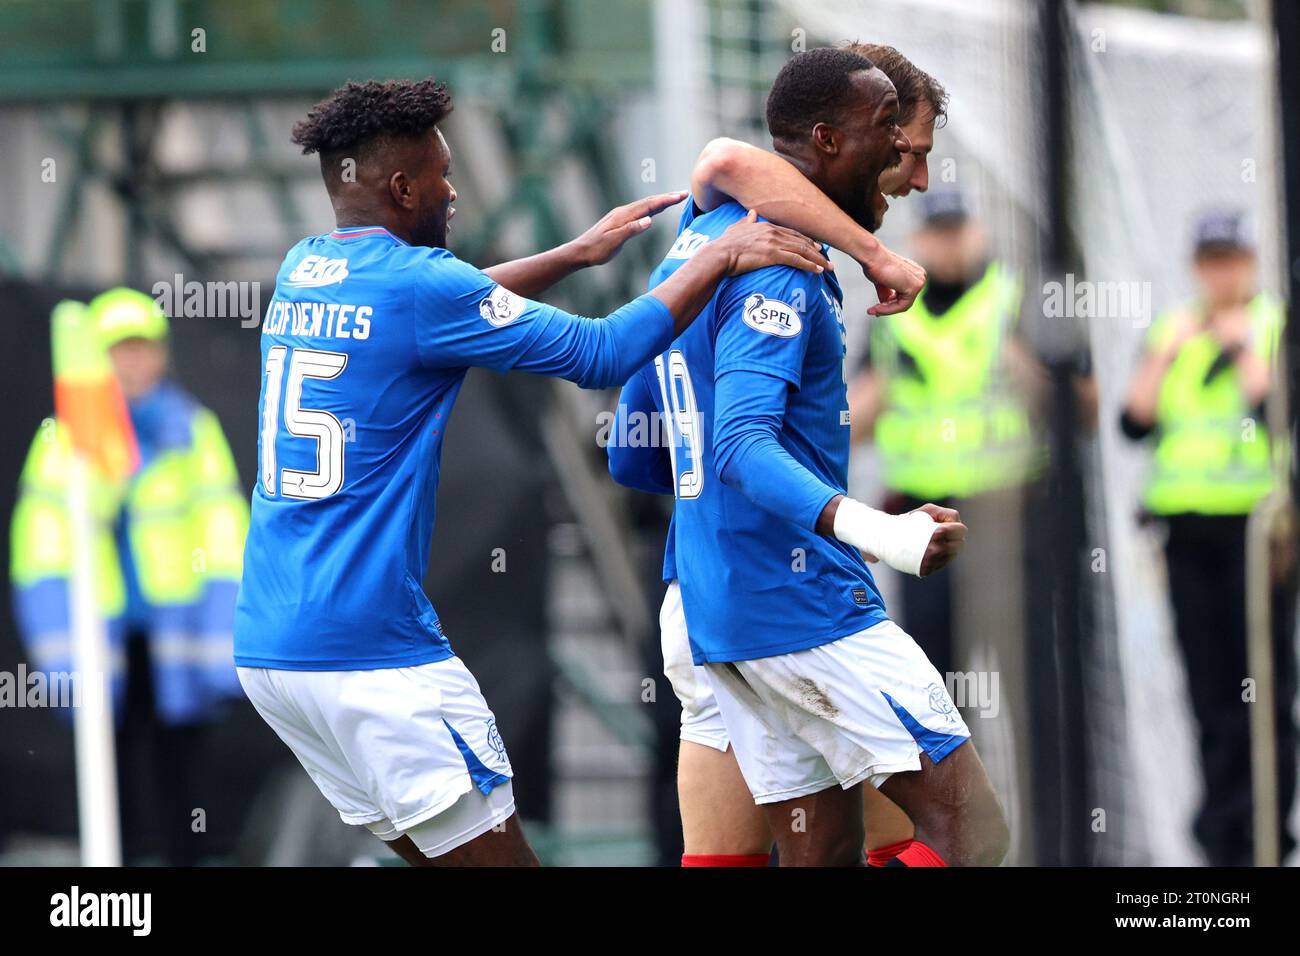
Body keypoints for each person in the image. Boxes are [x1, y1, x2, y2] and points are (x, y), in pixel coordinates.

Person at [231, 77, 843, 867]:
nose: (453, 192)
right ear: (401, 186)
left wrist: (575, 254)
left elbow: (446, 310)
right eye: (441, 175)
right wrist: (719, 256)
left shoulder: (305, 269)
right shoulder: (421, 287)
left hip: (273, 651)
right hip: (372, 654)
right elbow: (603, 353)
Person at [609, 47, 1008, 866]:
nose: (909, 167)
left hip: (708, 593)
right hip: (794, 597)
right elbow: (742, 447)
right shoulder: (784, 261)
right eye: (899, 140)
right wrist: (880, 532)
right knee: (970, 832)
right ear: (829, 138)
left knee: (804, 850)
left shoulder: (694, 242)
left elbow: (634, 448)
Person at [10, 287, 249, 864]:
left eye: (144, 349)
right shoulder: (64, 439)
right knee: (107, 766)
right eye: (119, 351)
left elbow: (224, 531)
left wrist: (224, 628)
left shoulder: (193, 429)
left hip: (178, 633)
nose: (134, 363)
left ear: (162, 353)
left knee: (184, 761)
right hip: (103, 635)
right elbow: (42, 543)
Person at [1121, 209, 1296, 866]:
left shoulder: (1275, 326)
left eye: (1232, 260)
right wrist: (1168, 352)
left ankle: (1267, 828)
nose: (1221, 274)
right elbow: (1134, 421)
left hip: (1257, 535)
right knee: (1209, 687)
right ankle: (1221, 831)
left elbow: (1275, 412)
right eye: (1210, 262)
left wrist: (1245, 345)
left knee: (1267, 685)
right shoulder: (1174, 330)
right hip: (1187, 531)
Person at [850, 189, 1045, 677]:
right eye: (938, 235)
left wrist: (1017, 360)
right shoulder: (892, 320)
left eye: (958, 232)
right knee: (933, 672)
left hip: (1007, 510)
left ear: (978, 234)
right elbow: (851, 421)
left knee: (1027, 669)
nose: (949, 245)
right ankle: (948, 756)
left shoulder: (1011, 299)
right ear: (918, 240)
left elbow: (1071, 406)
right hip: (926, 517)